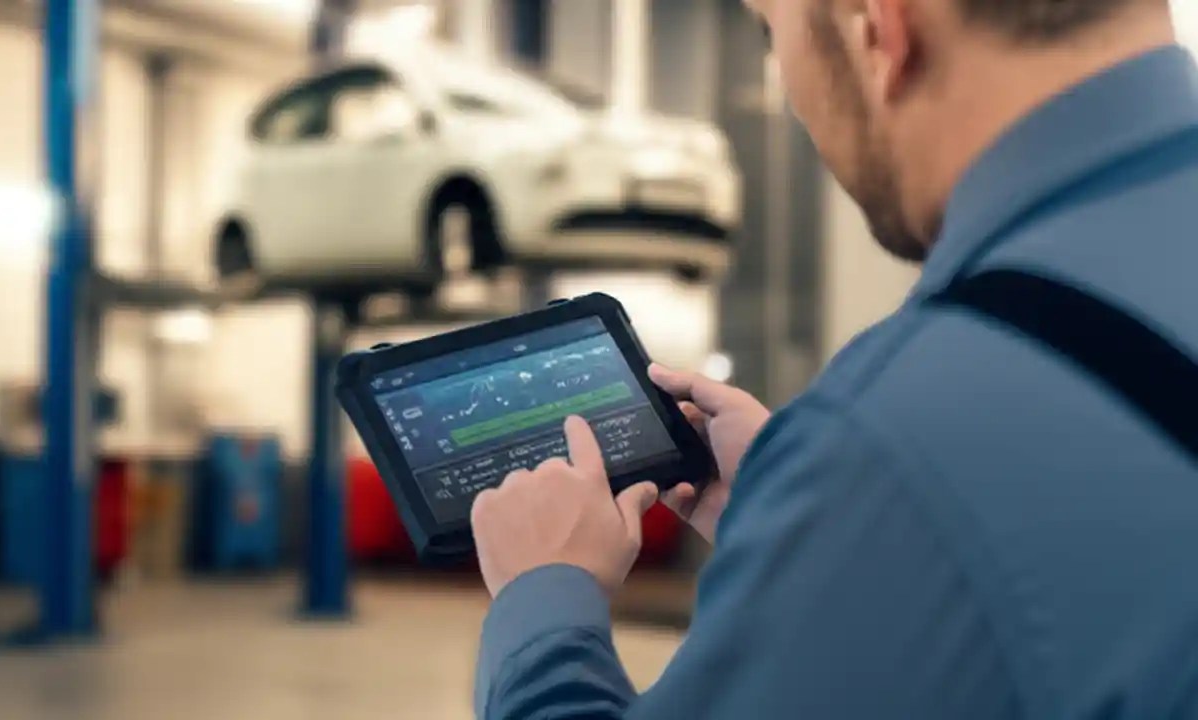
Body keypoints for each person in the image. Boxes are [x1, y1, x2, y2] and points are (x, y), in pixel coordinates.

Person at [469, 0, 1198, 717]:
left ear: (880, 28)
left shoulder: (898, 446)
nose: (787, 86)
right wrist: (806, 521)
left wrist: (545, 600)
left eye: (771, 30)